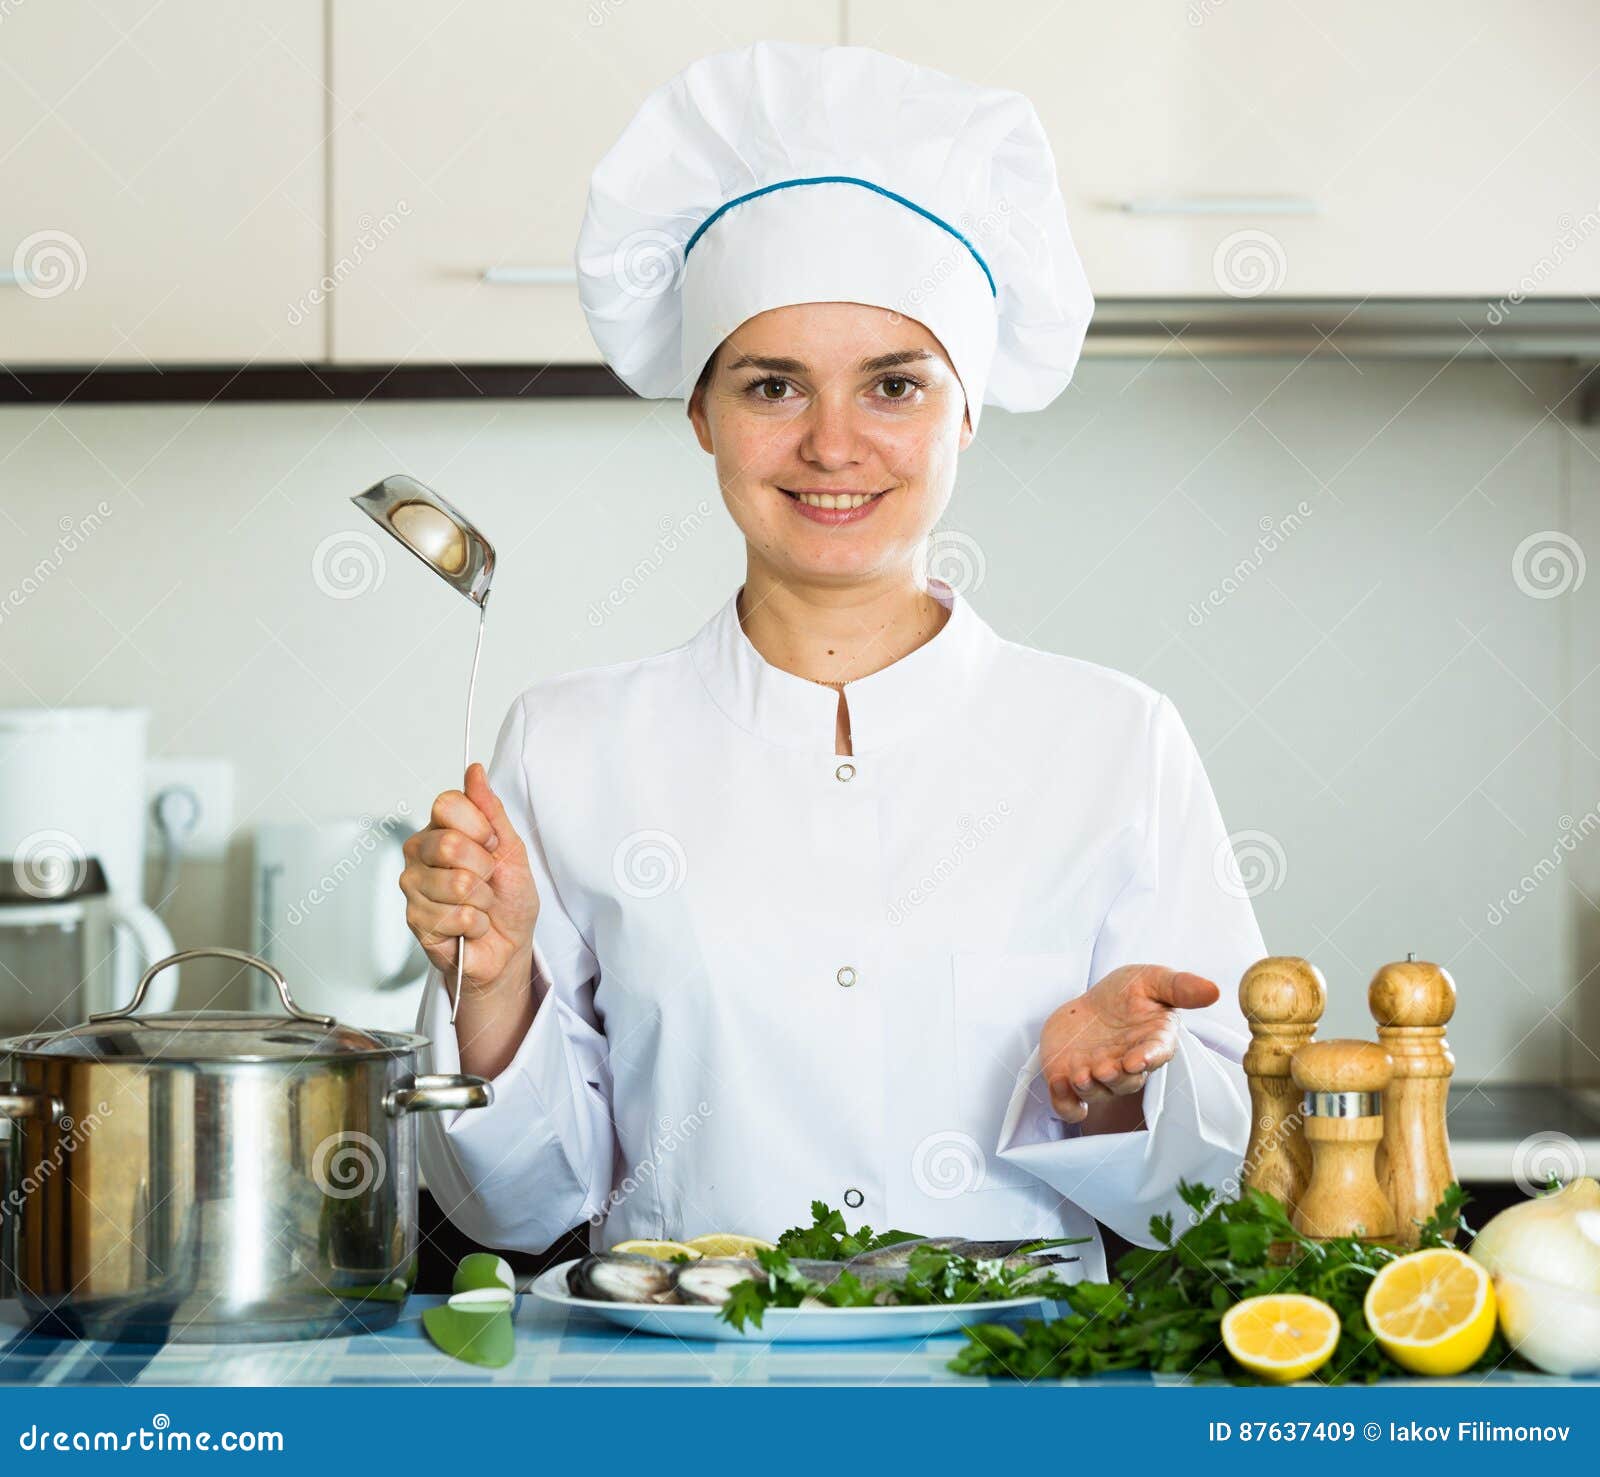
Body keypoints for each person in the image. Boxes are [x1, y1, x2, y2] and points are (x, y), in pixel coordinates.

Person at [400, 40, 1265, 1282]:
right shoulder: (570, 742)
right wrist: (490, 992)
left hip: (1009, 1394)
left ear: (966, 410)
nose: (832, 443)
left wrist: (1104, 1089)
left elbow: (1216, 1190)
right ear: (701, 414)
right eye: (771, 385)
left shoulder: (1114, 740)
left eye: (895, 386)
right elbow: (519, 1208)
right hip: (683, 1391)